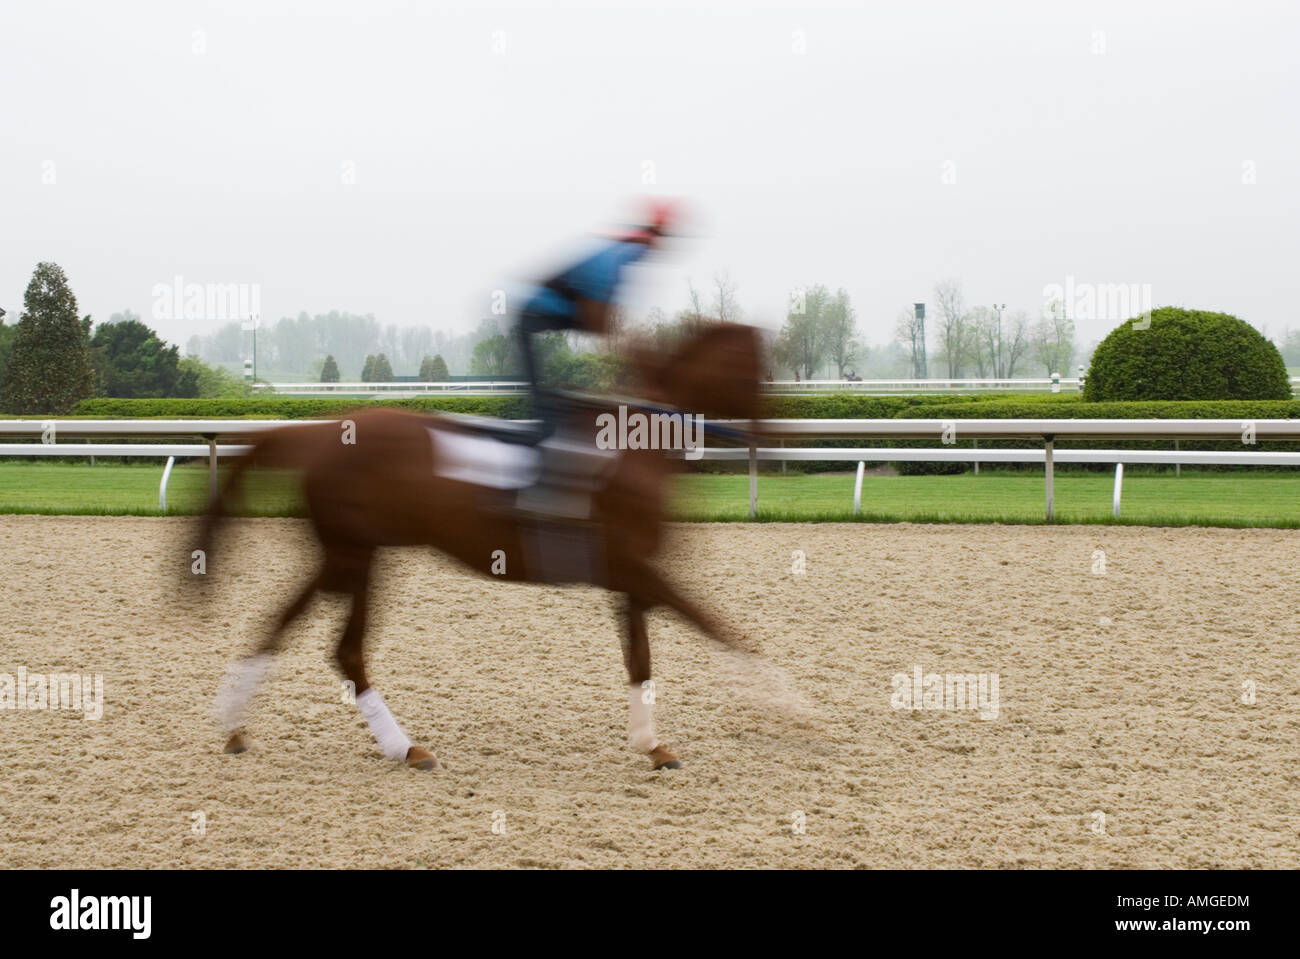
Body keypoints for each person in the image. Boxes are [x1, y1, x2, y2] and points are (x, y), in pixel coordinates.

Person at [512, 202, 677, 529]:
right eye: (658, 235)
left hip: (545, 323)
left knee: (568, 409)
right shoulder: (615, 257)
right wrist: (635, 377)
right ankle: (534, 493)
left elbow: (608, 325)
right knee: (548, 412)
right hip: (528, 323)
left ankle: (559, 486)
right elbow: (601, 323)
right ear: (647, 234)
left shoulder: (622, 256)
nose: (660, 244)